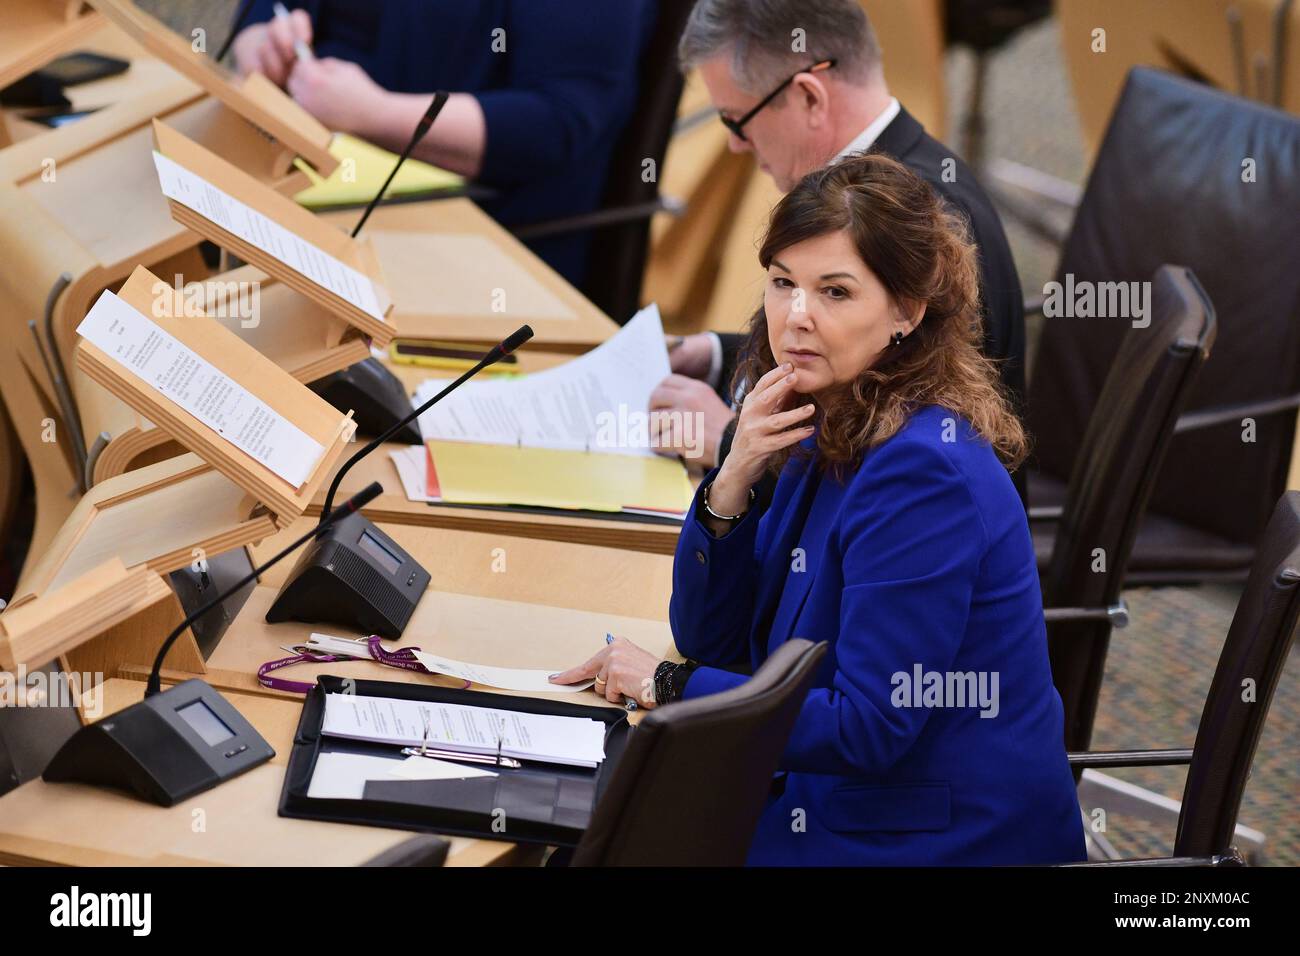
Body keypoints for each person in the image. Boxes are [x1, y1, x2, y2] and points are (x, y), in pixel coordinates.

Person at [552, 153, 1083, 866]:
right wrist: (730, 484)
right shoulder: (823, 414)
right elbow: (714, 638)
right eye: (783, 284)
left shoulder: (923, 473)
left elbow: (871, 728)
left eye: (834, 292)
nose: (796, 317)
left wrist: (666, 684)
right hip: (825, 794)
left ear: (906, 311)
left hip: (924, 838)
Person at [651, 0, 1026, 499]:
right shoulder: (904, 181)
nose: (738, 145)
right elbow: (858, 356)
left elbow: (892, 446)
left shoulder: (922, 216)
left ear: (809, 96)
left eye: (737, 120)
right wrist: (720, 354)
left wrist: (730, 442)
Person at [229, 0, 656, 287]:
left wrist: (375, 113)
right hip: (297, 157)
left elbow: (558, 119)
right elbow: (270, 8)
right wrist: (264, 41)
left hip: (467, 232)